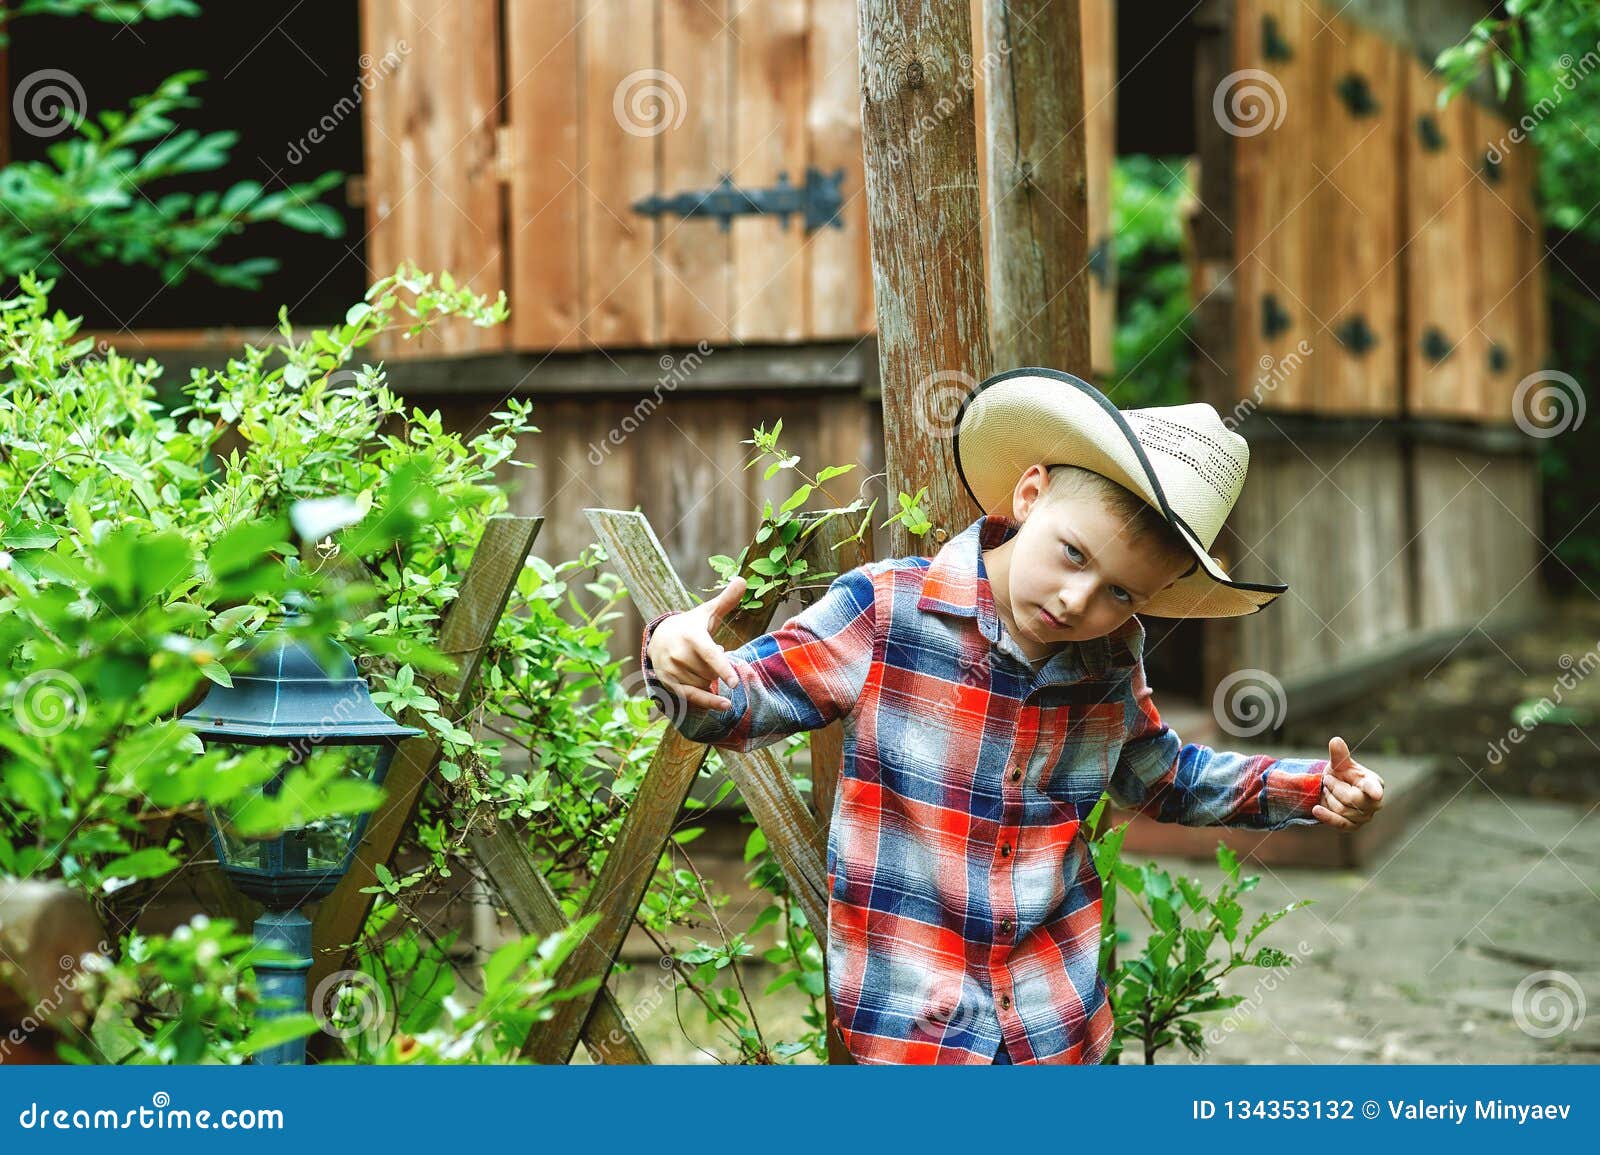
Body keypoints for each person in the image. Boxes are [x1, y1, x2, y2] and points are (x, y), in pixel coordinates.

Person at [640, 367, 1386, 1064]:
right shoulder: (887, 611)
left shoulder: (1110, 663)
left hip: (1054, 1017)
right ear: (1029, 495)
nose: (1077, 600)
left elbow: (1165, 779)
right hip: (913, 1023)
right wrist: (678, 659)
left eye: (1122, 593)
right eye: (1072, 554)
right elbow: (741, 701)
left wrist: (1306, 788)